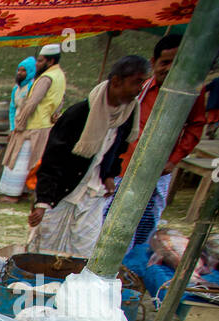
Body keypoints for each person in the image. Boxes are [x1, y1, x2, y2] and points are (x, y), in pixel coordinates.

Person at [28, 56, 148, 259]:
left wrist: (109, 174)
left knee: (83, 251)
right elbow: (52, 160)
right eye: (137, 82)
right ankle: (41, 288)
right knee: (46, 250)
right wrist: (43, 202)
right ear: (117, 81)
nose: (140, 89)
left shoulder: (127, 115)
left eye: (143, 83)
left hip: (93, 192)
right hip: (63, 192)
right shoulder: (78, 115)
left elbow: (118, 149)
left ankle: (71, 288)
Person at [107, 35, 207, 251]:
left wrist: (172, 161)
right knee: (108, 216)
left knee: (145, 222)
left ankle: (133, 265)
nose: (169, 69)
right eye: (165, 63)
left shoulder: (192, 94)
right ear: (154, 63)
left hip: (158, 171)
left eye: (177, 63)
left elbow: (195, 126)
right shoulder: (139, 88)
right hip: (123, 165)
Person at [0, 44, 67, 202]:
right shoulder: (60, 76)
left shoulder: (46, 78)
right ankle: (23, 191)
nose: (37, 64)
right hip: (44, 123)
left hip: (33, 126)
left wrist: (20, 124)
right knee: (31, 160)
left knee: (21, 160)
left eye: (40, 60)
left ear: (50, 61)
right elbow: (60, 100)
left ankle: (13, 194)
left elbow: (32, 102)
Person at [0, 56, 37, 200]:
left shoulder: (34, 87)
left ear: (31, 71)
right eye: (19, 70)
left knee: (23, 161)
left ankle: (17, 194)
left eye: (23, 70)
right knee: (12, 159)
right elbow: (13, 109)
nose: (20, 73)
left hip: (29, 129)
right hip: (17, 128)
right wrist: (13, 127)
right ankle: (8, 190)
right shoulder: (16, 89)